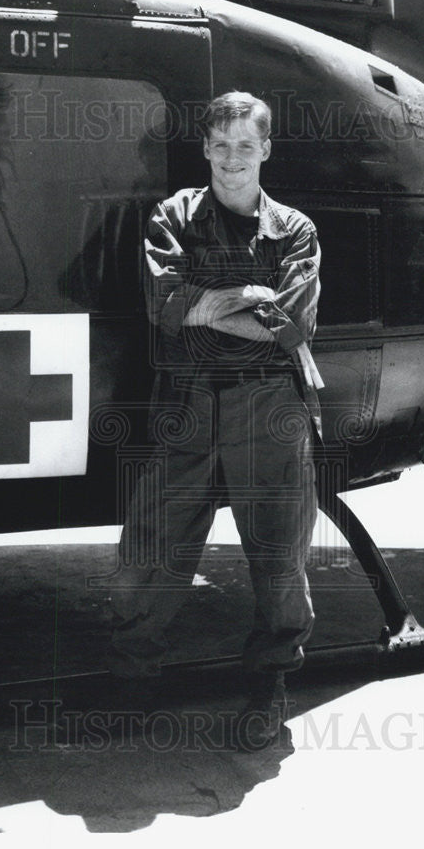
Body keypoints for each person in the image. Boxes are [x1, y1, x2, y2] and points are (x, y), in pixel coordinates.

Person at [106, 91, 322, 749]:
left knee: (280, 556)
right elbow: (163, 305)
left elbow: (290, 329)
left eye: (245, 145)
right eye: (220, 144)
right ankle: (134, 678)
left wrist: (207, 307)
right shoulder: (171, 217)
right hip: (189, 401)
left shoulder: (295, 231)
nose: (232, 158)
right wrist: (246, 298)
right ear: (205, 147)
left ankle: (270, 679)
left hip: (270, 407)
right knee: (151, 549)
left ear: (265, 150)